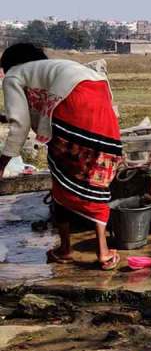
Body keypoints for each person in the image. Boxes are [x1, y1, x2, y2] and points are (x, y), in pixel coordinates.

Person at [0, 43, 123, 269]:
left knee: (61, 179)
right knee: (96, 178)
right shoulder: (53, 66)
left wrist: (2, 163)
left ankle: (66, 249)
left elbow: (20, 125)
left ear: (8, 66)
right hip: (101, 102)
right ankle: (103, 252)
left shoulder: (13, 75)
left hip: (73, 105)